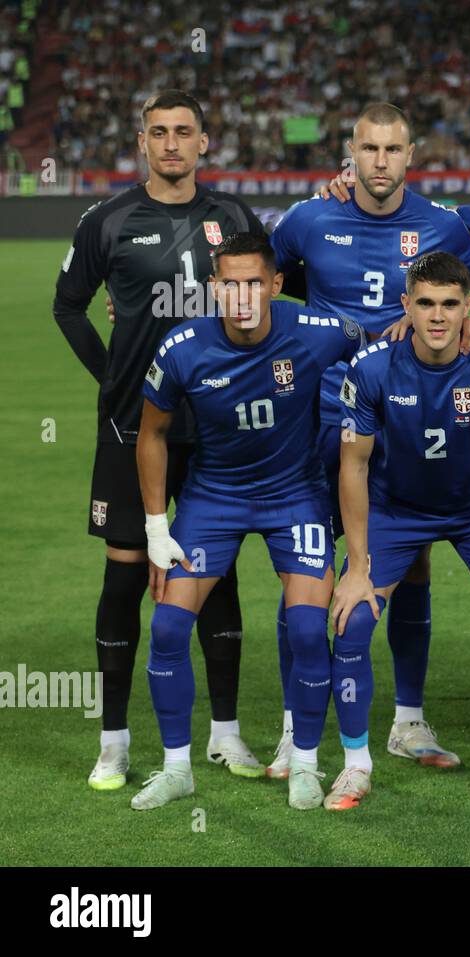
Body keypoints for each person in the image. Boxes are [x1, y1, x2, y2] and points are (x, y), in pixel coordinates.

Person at [269, 102, 470, 775]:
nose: (380, 162)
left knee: (409, 558)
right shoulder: (308, 218)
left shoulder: (442, 225)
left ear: (411, 155)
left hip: (416, 414)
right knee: (312, 571)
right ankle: (296, 729)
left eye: (393, 150)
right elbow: (260, 283)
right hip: (322, 418)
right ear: (349, 152)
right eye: (368, 149)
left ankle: (407, 719)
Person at [53, 89, 262, 792]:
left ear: (206, 142)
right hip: (131, 427)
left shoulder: (233, 218)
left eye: (185, 132)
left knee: (217, 573)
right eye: (159, 132)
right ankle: (113, 741)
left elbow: (267, 293)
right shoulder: (107, 220)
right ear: (141, 142)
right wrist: (111, 374)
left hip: (214, 429)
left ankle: (225, 735)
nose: (172, 143)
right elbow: (68, 304)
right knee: (122, 575)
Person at [132, 232, 363, 810]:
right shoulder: (181, 347)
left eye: (253, 283)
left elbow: (385, 339)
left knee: (310, 630)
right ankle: (176, 767)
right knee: (165, 630)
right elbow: (152, 434)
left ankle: (306, 764)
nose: (241, 296)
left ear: (276, 286)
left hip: (296, 497)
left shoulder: (315, 333)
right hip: (214, 499)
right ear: (215, 288)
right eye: (230, 284)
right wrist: (157, 528)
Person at [329, 252, 470, 808]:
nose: (438, 316)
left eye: (450, 303)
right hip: (395, 509)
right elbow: (352, 466)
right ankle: (356, 766)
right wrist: (355, 568)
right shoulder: (372, 368)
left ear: (467, 306)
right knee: (350, 620)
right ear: (406, 306)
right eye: (425, 303)